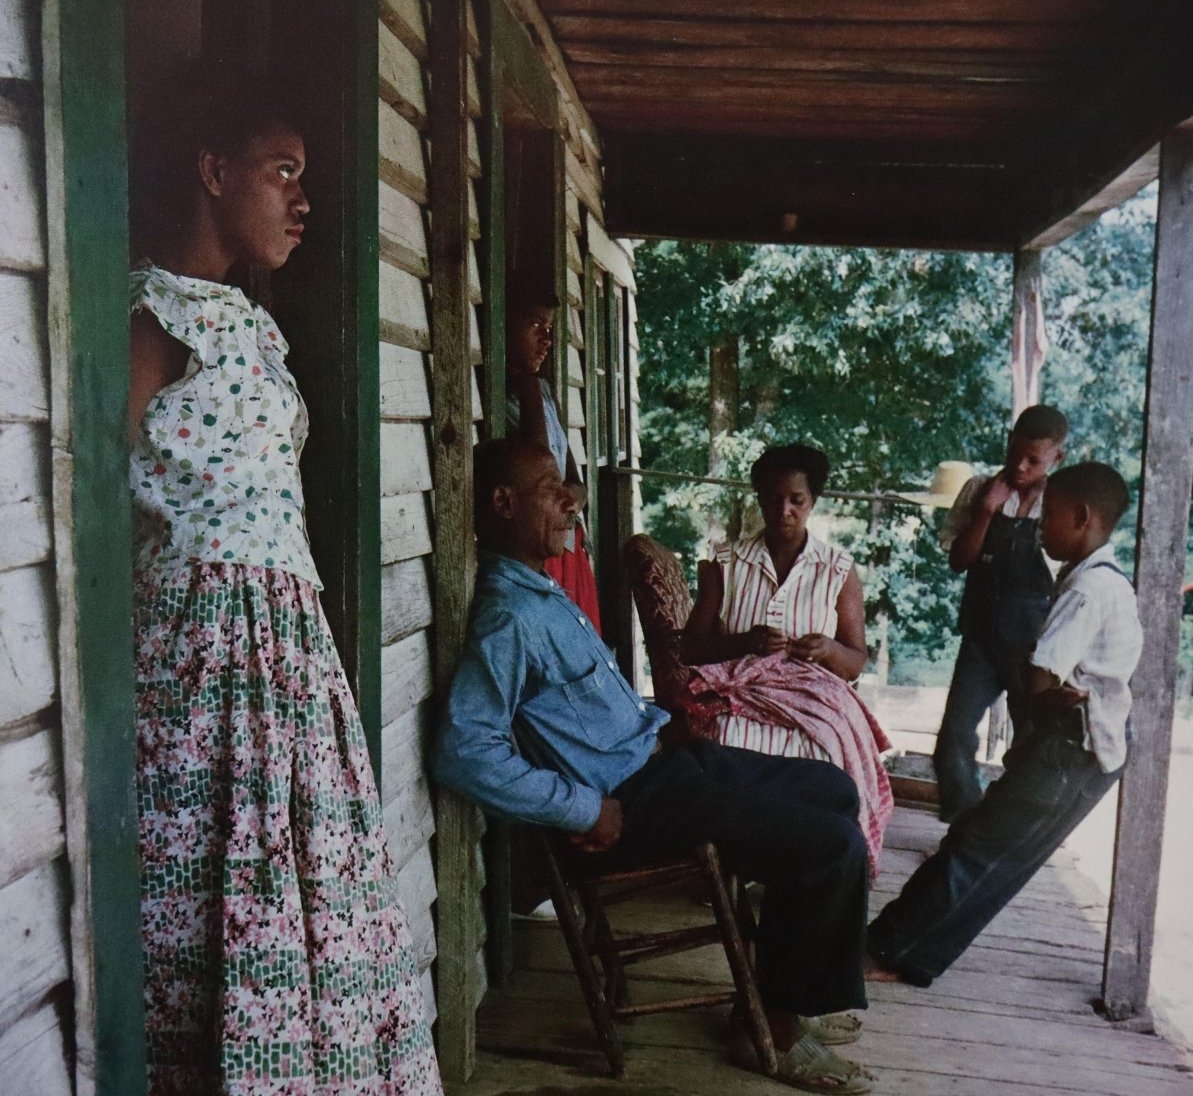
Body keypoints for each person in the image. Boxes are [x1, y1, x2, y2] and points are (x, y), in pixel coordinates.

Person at [128, 69, 441, 1095]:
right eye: (282, 172)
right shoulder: (153, 313)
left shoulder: (255, 326)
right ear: (214, 172)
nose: (303, 200)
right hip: (204, 655)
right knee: (210, 898)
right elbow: (97, 490)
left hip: (289, 659)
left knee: (313, 900)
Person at [435, 437, 876, 1094]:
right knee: (830, 844)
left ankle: (779, 991)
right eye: (552, 489)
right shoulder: (509, 617)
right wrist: (583, 808)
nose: (573, 501)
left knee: (831, 788)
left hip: (665, 764)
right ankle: (779, 1030)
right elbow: (464, 751)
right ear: (502, 504)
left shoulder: (541, 592)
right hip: (633, 801)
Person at [867, 462, 1141, 986]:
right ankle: (916, 959)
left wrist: (1040, 705)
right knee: (1001, 862)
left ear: (1081, 517)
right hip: (1095, 747)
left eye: (1050, 515)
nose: (1040, 527)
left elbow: (1041, 673)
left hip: (1069, 747)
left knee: (973, 849)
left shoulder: (1087, 590)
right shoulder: (1108, 579)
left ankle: (877, 950)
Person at [679, 444, 892, 878]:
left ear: (813, 501)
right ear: (758, 499)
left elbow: (855, 661)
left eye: (797, 500)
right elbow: (692, 649)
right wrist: (745, 642)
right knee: (728, 734)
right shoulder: (726, 563)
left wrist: (827, 650)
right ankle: (736, 863)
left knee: (827, 742)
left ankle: (810, 860)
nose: (785, 511)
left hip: (812, 695)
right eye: (774, 499)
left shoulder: (837, 569)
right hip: (741, 689)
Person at [933, 405, 1069, 822]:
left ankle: (1008, 829)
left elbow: (1067, 580)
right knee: (954, 736)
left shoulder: (1061, 504)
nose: (1020, 467)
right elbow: (959, 560)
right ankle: (963, 826)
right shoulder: (980, 489)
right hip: (981, 638)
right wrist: (986, 511)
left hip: (1033, 646)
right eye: (1015, 454)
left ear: (1057, 458)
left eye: (1033, 460)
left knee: (1030, 741)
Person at [506, 294, 602, 632]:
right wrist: (528, 387)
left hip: (568, 542)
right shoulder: (509, 400)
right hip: (539, 551)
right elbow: (542, 467)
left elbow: (576, 482)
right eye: (535, 325)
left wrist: (566, 501)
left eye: (549, 328)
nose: (546, 339)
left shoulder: (545, 394)